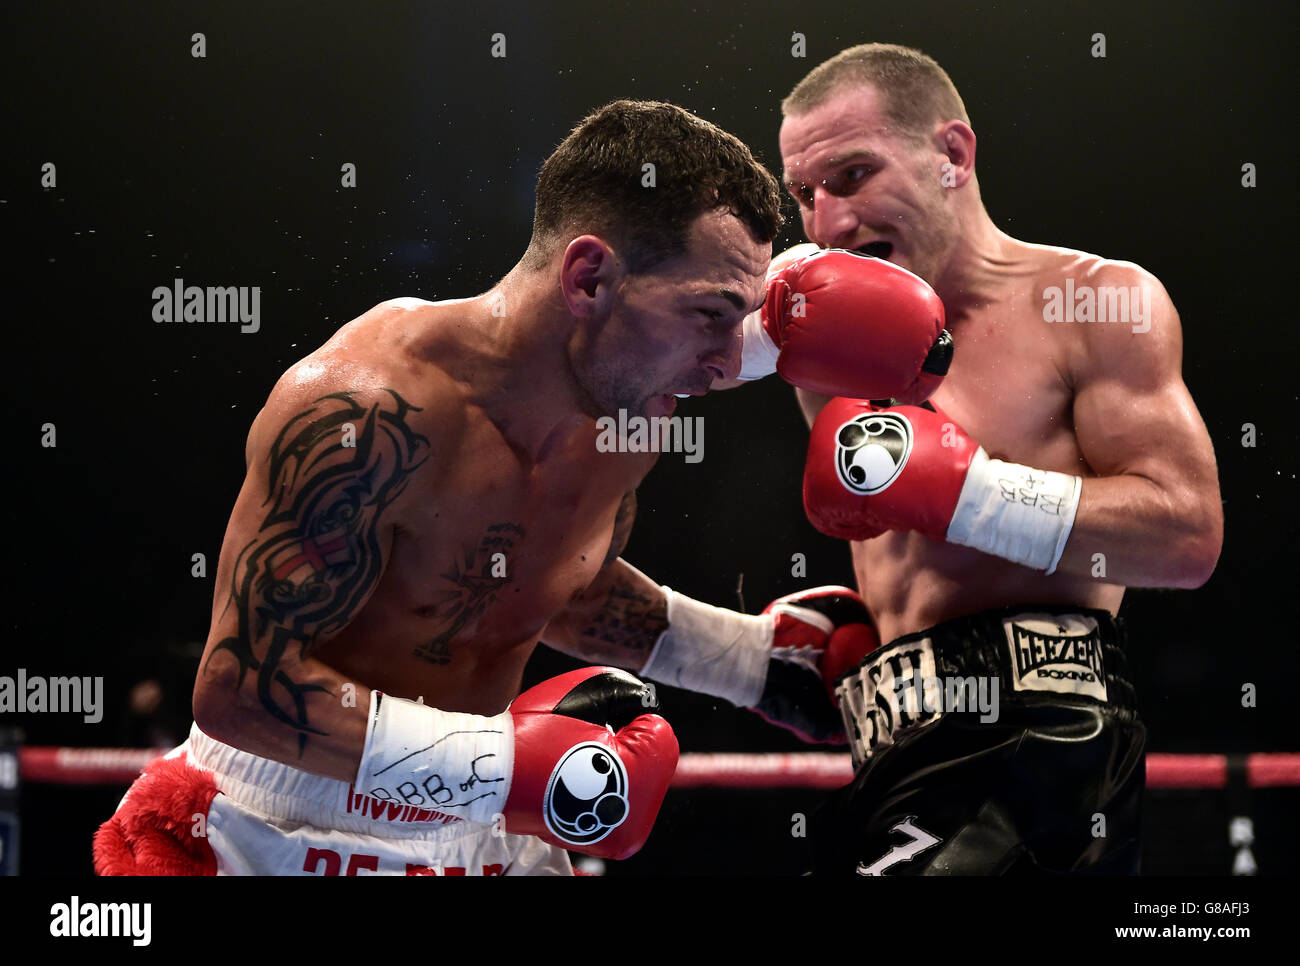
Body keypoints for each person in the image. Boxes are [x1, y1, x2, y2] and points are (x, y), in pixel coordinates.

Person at [93, 98, 943, 876]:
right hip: (276, 826)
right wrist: (500, 768)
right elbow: (241, 692)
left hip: (481, 834)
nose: (727, 362)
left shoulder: (633, 412)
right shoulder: (366, 413)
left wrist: (749, 665)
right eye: (711, 313)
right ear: (587, 279)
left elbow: (545, 586)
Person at [772, 44, 1223, 874]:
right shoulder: (824, 330)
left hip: (1040, 751)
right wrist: (734, 656)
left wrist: (967, 493)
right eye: (806, 194)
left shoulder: (1094, 304)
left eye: (853, 175)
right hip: (890, 757)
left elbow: (1186, 538)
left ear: (952, 154)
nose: (827, 221)